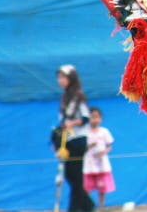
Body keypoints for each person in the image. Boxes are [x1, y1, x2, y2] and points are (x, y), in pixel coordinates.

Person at [56, 65, 95, 212]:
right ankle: (87, 205)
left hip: (78, 139)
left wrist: (71, 123)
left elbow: (85, 117)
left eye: (63, 77)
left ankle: (74, 208)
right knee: (69, 174)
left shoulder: (78, 95)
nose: (60, 81)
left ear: (71, 78)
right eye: (59, 78)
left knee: (76, 175)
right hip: (68, 139)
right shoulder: (65, 96)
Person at [83, 107, 115, 209]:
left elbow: (109, 146)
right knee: (86, 188)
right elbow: (82, 148)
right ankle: (88, 207)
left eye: (97, 117)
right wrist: (89, 146)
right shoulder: (84, 132)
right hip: (89, 164)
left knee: (102, 189)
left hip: (102, 164)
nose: (94, 119)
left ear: (101, 118)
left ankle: (101, 207)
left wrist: (103, 152)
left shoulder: (104, 131)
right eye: (92, 117)